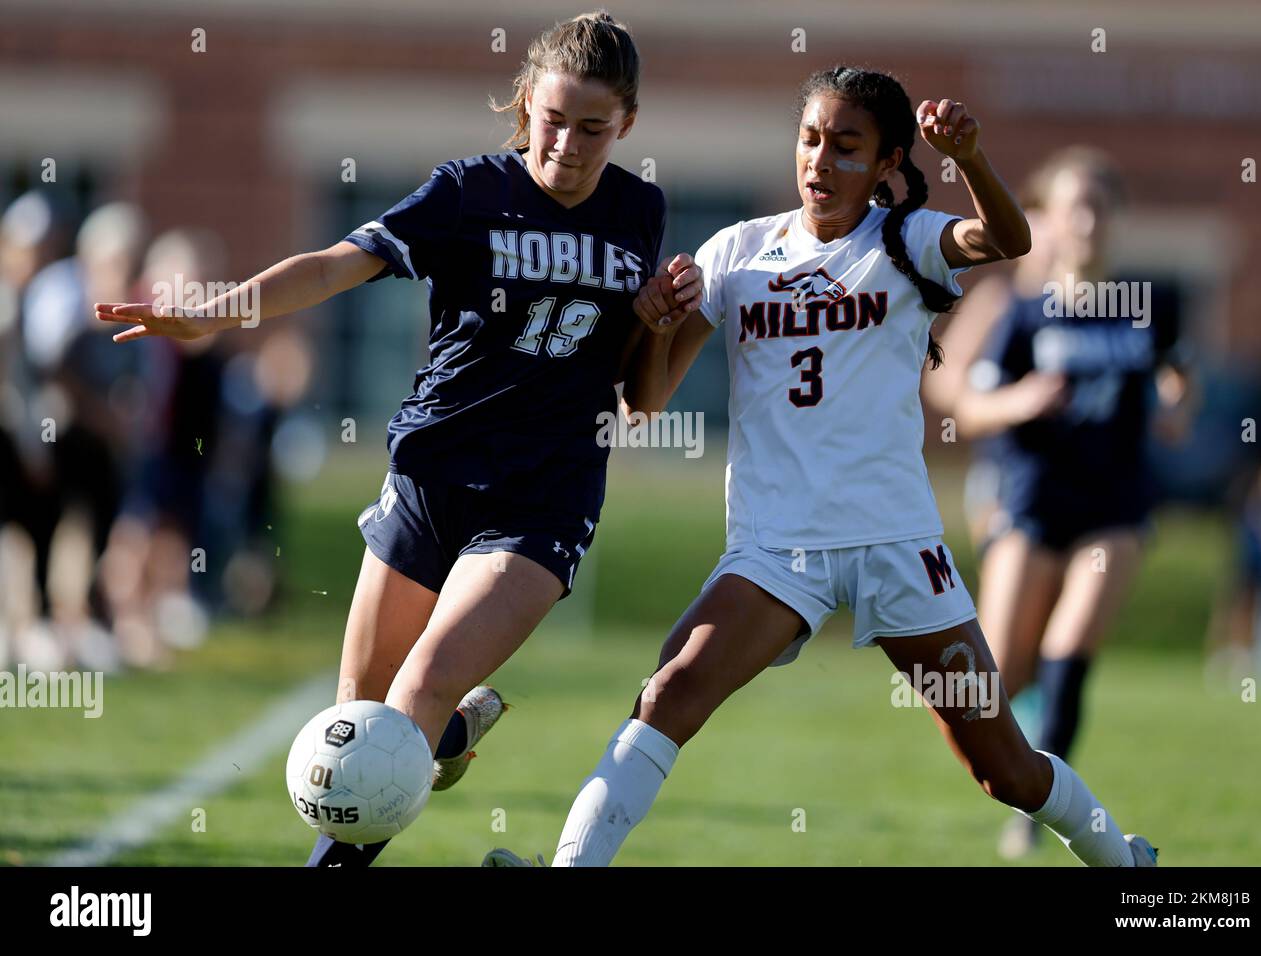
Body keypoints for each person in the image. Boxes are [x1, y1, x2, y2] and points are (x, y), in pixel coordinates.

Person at [487, 66, 1156, 868]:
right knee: (668, 692)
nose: (821, 162)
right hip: (778, 552)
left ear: (886, 164)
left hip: (896, 547)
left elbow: (1010, 241)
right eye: (810, 140)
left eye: (847, 147)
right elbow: (644, 402)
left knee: (1002, 769)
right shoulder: (736, 252)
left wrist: (973, 159)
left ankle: (1128, 865)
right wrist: (657, 325)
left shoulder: (905, 241)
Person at [96, 10, 702, 867]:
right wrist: (219, 309)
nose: (566, 143)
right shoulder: (467, 191)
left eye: (593, 128)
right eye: (553, 118)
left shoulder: (640, 208)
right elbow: (339, 263)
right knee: (362, 709)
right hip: (431, 474)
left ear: (627, 125)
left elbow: (639, 394)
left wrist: (655, 327)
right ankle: (450, 732)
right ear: (526, 101)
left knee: (409, 692)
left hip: (544, 493)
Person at [941, 148, 1191, 857]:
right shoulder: (1019, 310)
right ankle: (1022, 769)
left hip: (1113, 508)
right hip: (1030, 502)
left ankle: (1036, 817)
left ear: (1115, 219)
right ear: (1050, 218)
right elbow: (969, 402)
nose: (1086, 222)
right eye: (1072, 207)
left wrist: (1178, 399)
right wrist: (1022, 400)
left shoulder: (1147, 304)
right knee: (998, 677)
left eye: (1099, 207)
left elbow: (1178, 380)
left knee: (1069, 647)